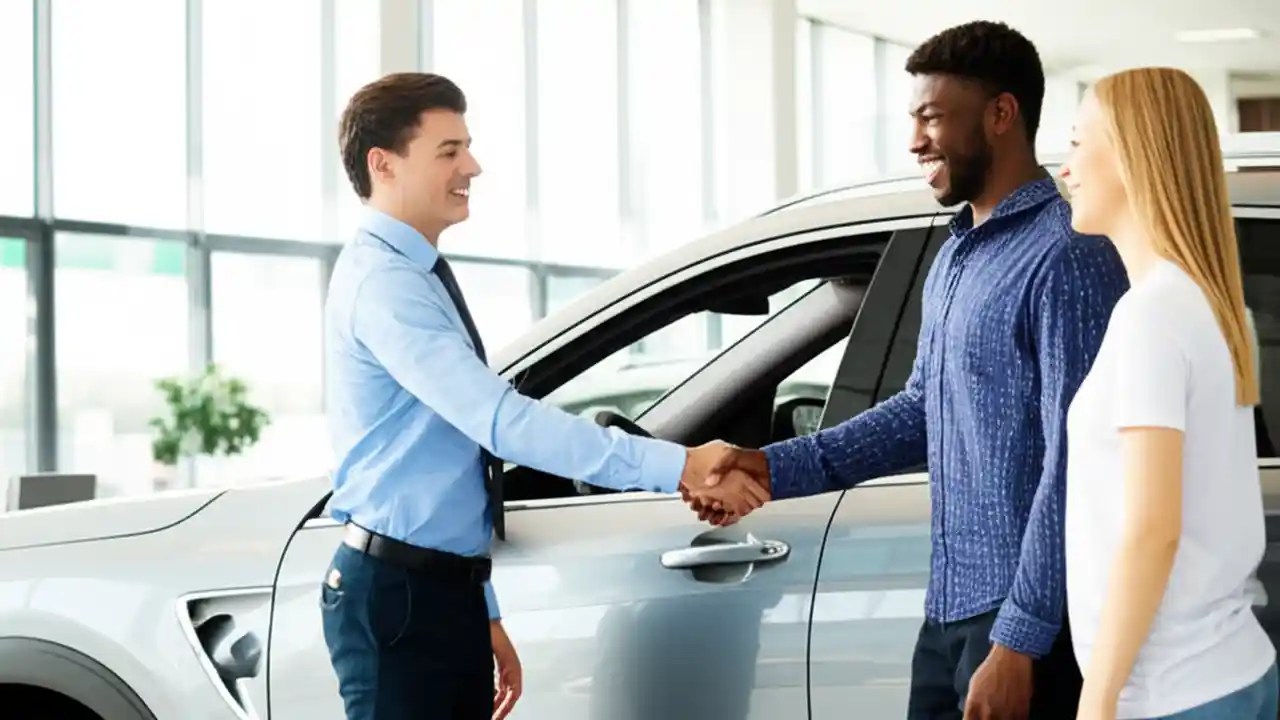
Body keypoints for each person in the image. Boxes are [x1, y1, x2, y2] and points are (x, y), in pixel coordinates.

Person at [688, 21, 1129, 719]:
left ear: (1001, 114)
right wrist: (769, 467)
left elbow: (1075, 463)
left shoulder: (1067, 256)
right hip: (951, 610)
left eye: (932, 117)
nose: (915, 141)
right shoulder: (955, 256)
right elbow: (921, 411)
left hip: (1024, 624)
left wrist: (1020, 640)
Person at [320, 72, 762, 720]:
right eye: (448, 151)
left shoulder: (413, 273)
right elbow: (500, 422)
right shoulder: (384, 284)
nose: (472, 166)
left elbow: (446, 461)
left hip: (436, 590)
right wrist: (681, 465)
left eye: (467, 147)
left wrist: (479, 605)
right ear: (383, 165)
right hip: (401, 598)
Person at [1059, 67, 1278, 720]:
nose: (1065, 168)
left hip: (1173, 694)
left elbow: (1153, 528)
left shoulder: (1151, 315)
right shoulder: (1212, 306)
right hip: (1228, 671)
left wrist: (1097, 699)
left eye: (1077, 143)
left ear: (1131, 155)